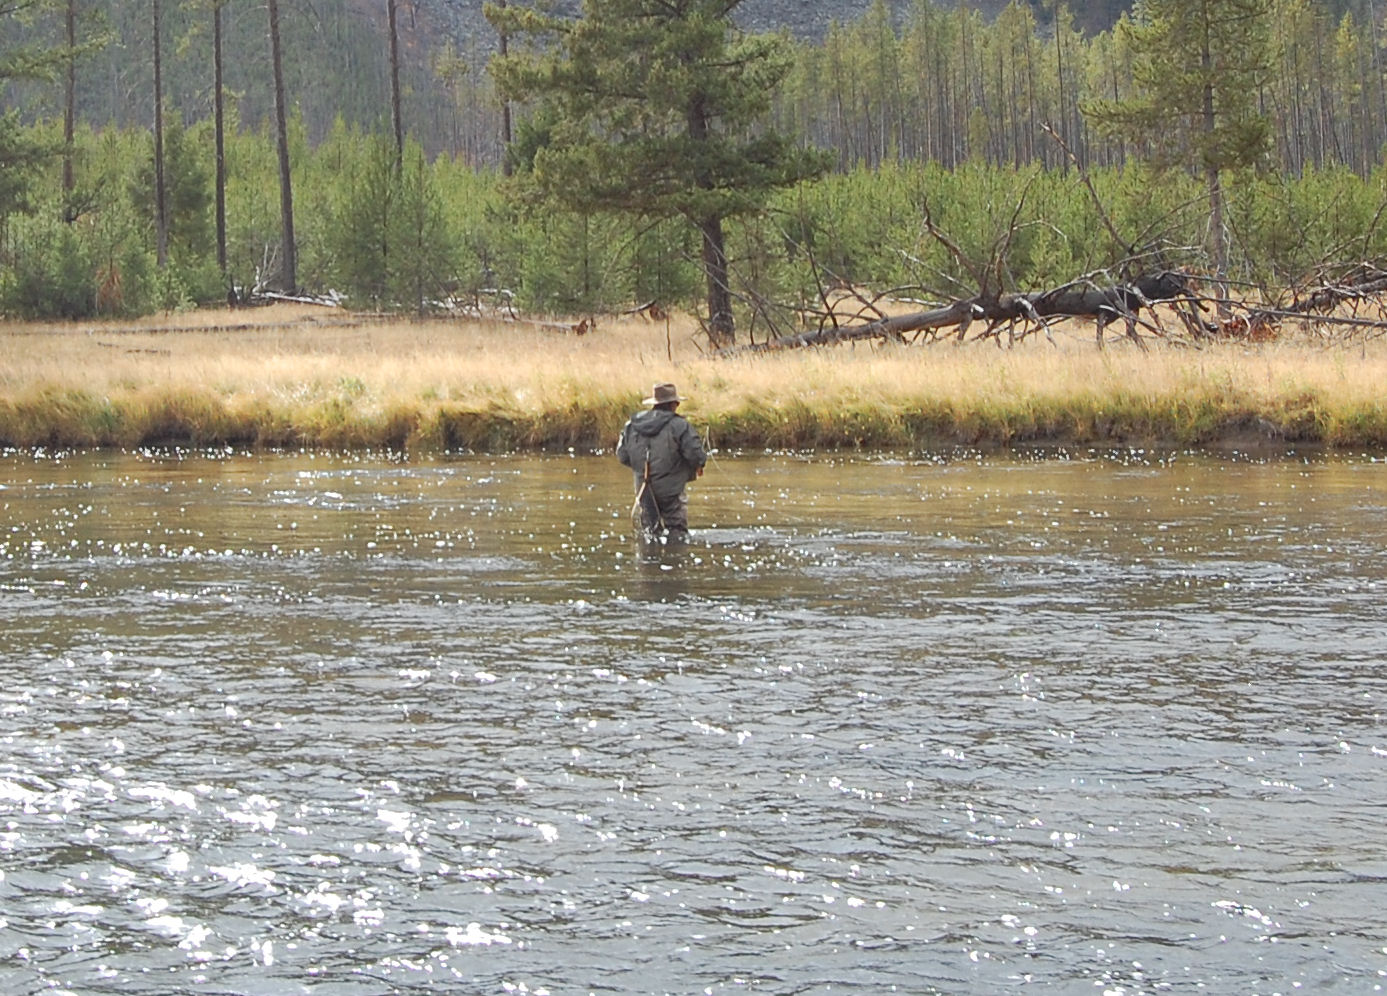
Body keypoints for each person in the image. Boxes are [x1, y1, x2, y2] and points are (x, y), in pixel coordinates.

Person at [617, 382, 706, 541]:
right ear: (674, 404)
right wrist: (698, 465)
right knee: (677, 533)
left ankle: (649, 557)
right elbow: (695, 454)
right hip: (671, 489)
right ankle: (674, 556)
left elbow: (622, 456)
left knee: (649, 534)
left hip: (643, 489)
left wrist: (642, 469)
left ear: (655, 403)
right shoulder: (680, 425)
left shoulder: (631, 425)